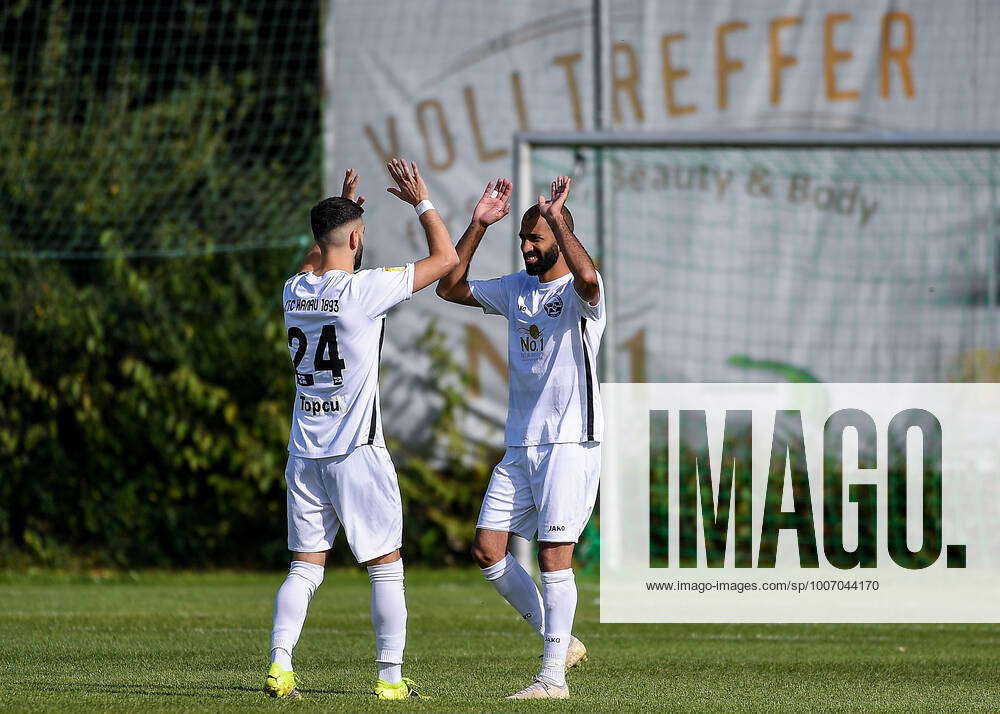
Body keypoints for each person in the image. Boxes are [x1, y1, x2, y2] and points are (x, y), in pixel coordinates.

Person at [265, 161, 458, 701]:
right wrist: (421, 201)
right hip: (356, 450)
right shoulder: (363, 291)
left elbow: (318, 258)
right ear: (355, 239)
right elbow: (446, 259)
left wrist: (342, 209)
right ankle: (390, 679)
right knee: (385, 568)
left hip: (305, 451)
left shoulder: (294, 290)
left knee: (305, 567)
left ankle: (280, 665)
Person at [436, 175, 605, 699]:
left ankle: (552, 679)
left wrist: (556, 219)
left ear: (559, 235)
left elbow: (589, 278)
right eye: (524, 239)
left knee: (555, 553)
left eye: (536, 238)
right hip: (521, 443)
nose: (528, 248)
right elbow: (450, 287)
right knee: (488, 549)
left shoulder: (581, 293)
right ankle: (561, 641)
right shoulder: (515, 288)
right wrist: (478, 225)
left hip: (570, 441)